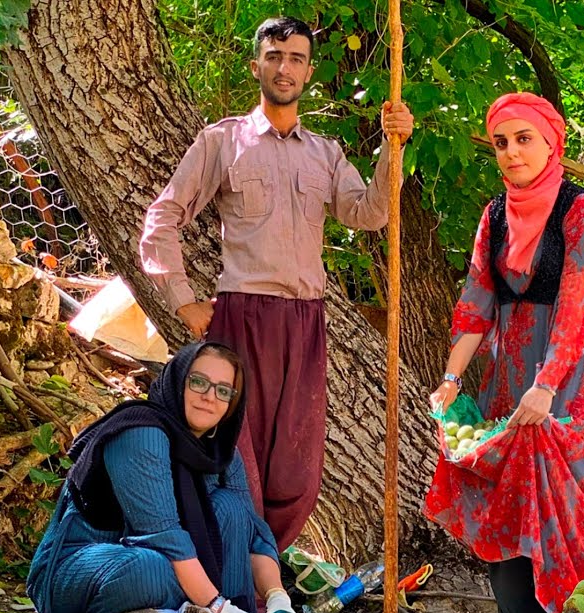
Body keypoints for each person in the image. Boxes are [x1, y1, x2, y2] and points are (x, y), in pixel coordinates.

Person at [138, 17, 414, 550]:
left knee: (297, 464)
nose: (283, 68)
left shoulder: (325, 153)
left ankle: (268, 567)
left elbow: (370, 213)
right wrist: (183, 301)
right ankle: (235, 575)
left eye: (294, 59)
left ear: (309, 71)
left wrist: (391, 148)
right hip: (242, 317)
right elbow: (163, 216)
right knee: (238, 455)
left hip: (305, 321)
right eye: (274, 57)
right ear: (256, 65)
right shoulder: (223, 141)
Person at [423, 92, 584, 613]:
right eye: (501, 142)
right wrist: (452, 377)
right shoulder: (495, 216)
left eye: (523, 139)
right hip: (511, 373)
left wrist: (547, 387)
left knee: (569, 503)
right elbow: (477, 301)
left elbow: (575, 306)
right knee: (501, 493)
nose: (511, 152)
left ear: (551, 141)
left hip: (574, 376)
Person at [27, 342, 300, 613]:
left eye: (223, 390)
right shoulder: (140, 431)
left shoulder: (220, 452)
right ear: (177, 380)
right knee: (154, 570)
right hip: (78, 574)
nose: (209, 396)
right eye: (198, 382)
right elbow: (163, 536)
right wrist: (217, 609)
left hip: (169, 568)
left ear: (231, 404)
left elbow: (253, 534)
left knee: (230, 508)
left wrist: (276, 599)